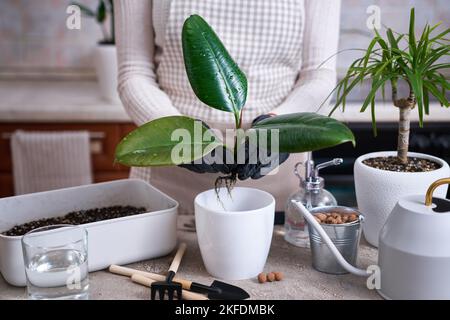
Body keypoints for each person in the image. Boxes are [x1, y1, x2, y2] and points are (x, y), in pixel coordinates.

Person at [114, 0, 341, 214]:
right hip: (173, 156)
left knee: (278, 253)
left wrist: (277, 127)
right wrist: (177, 133)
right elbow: (134, 71)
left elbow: (318, 75)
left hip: (272, 160)